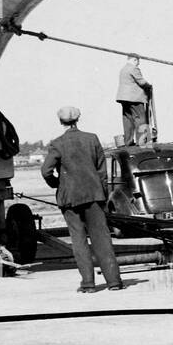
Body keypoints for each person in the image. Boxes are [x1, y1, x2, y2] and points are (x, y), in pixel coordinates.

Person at [41, 105, 123, 293]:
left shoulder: (57, 143)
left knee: (78, 240)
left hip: (69, 199)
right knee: (102, 239)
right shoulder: (92, 139)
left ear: (60, 121)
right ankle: (114, 282)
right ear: (78, 119)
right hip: (94, 196)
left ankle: (88, 284)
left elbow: (45, 170)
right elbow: (102, 171)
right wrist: (100, 194)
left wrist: (57, 184)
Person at [116, 54, 152, 145]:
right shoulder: (133, 68)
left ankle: (128, 142)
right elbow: (142, 82)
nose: (138, 64)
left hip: (123, 98)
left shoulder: (123, 69)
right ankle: (143, 142)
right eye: (138, 62)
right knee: (141, 119)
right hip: (135, 98)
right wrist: (149, 85)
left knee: (128, 120)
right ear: (135, 60)